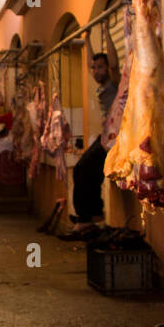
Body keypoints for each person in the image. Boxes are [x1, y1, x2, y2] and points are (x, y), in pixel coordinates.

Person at [63, 24, 120, 239]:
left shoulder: (115, 82)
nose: (96, 71)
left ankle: (87, 220)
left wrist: (106, 31)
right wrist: (87, 39)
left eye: (100, 67)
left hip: (117, 139)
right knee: (83, 170)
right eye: (95, 68)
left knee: (84, 168)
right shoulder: (101, 84)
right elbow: (88, 64)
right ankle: (90, 216)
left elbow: (114, 63)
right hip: (107, 137)